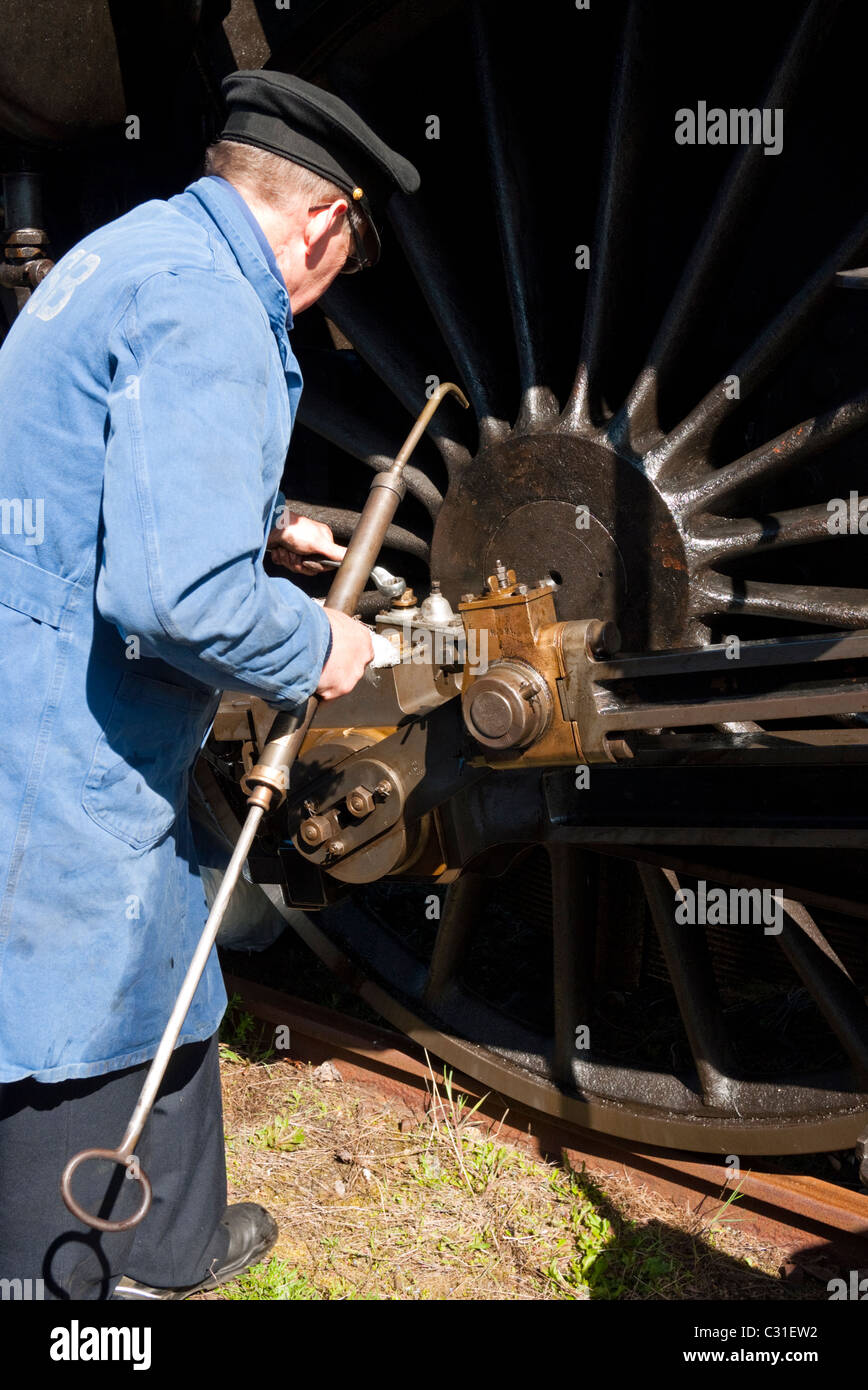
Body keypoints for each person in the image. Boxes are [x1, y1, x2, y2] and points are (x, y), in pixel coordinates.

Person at [0, 69, 420, 1300]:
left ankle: (171, 1245)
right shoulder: (211, 310)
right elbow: (175, 601)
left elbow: (99, 456)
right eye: (345, 258)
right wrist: (318, 649)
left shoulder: (135, 249)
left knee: (157, 944)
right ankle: (62, 1289)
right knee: (73, 993)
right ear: (327, 221)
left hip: (52, 676)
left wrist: (263, 522)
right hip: (56, 710)